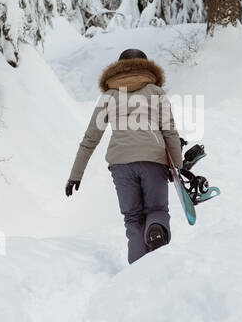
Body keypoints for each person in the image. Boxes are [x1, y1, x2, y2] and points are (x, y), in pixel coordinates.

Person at [66, 48, 183, 263]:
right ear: (147, 67)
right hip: (153, 160)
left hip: (121, 165)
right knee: (156, 210)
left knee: (133, 218)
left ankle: (136, 272)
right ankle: (156, 230)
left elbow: (90, 138)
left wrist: (76, 175)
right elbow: (170, 132)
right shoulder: (156, 92)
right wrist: (177, 167)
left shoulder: (109, 96)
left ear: (117, 68)